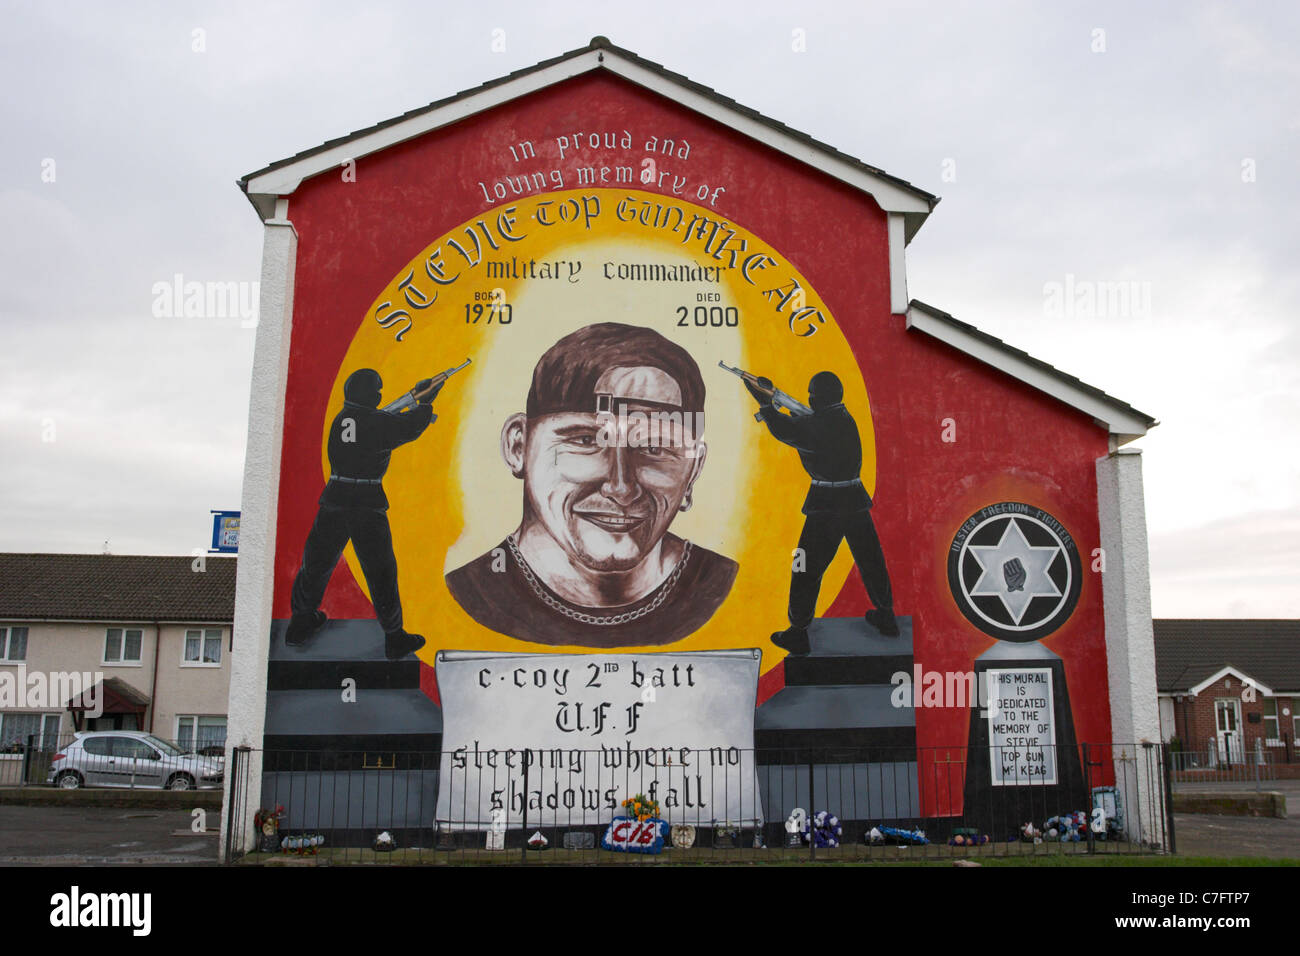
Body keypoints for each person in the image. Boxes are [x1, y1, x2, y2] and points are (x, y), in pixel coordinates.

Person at [446, 323, 737, 647]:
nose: (621, 487)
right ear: (519, 446)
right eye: (585, 440)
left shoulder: (724, 587)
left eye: (655, 448)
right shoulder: (470, 591)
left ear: (693, 469)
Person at [285, 367, 439, 660]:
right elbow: (408, 427)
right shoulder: (375, 422)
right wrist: (427, 402)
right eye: (377, 390)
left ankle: (300, 623)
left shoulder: (344, 419)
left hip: (335, 499)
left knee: (316, 564)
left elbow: (382, 421)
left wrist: (411, 397)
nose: (381, 394)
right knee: (381, 571)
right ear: (367, 393)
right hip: (365, 503)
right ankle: (394, 637)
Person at [746, 370, 899, 656]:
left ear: (816, 398)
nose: (809, 399)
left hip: (828, 503)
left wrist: (766, 404)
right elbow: (807, 428)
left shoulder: (820, 424)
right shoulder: (842, 418)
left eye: (811, 396)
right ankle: (886, 615)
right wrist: (778, 404)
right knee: (871, 560)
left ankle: (798, 632)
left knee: (805, 568)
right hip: (853, 498)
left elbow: (790, 432)